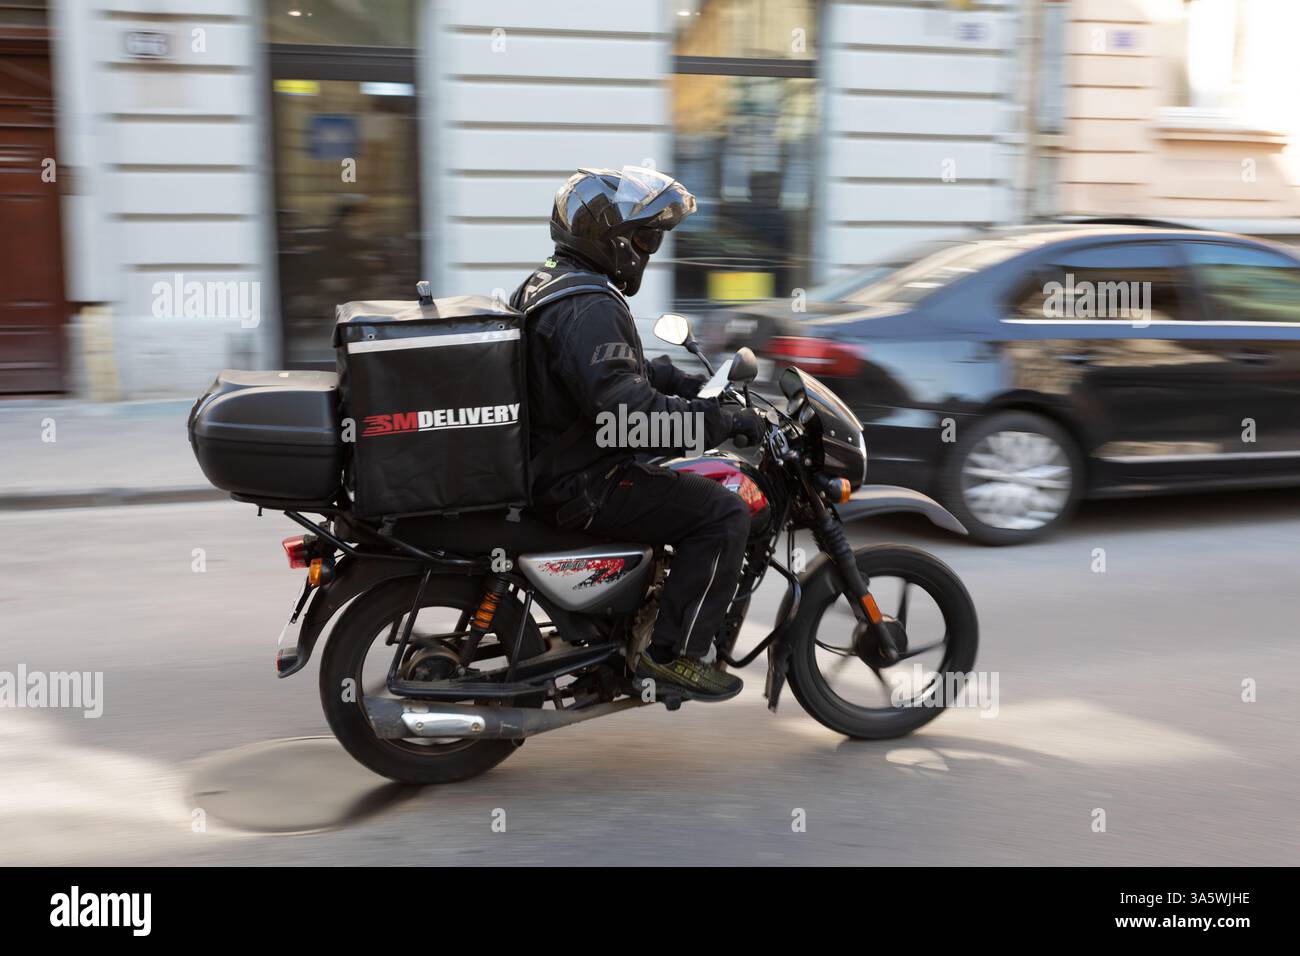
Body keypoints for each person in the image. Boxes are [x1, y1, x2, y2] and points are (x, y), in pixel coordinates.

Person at [510, 166, 764, 702]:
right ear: (610, 240)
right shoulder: (590, 306)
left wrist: (696, 386)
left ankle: (634, 619)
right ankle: (673, 655)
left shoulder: (554, 286)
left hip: (555, 465)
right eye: (645, 237)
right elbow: (629, 417)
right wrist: (719, 422)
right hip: (581, 482)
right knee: (722, 513)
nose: (650, 249)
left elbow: (625, 375)